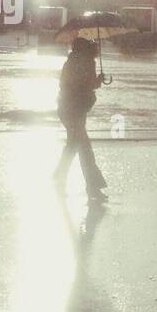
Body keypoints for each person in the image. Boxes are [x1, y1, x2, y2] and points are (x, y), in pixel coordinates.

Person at [54, 36, 108, 201]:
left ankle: (59, 178)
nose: (96, 48)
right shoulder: (86, 62)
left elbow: (73, 84)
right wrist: (98, 80)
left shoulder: (72, 61)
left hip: (67, 109)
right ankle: (93, 187)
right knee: (85, 149)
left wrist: (94, 81)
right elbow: (85, 85)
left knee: (73, 146)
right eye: (94, 46)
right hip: (75, 110)